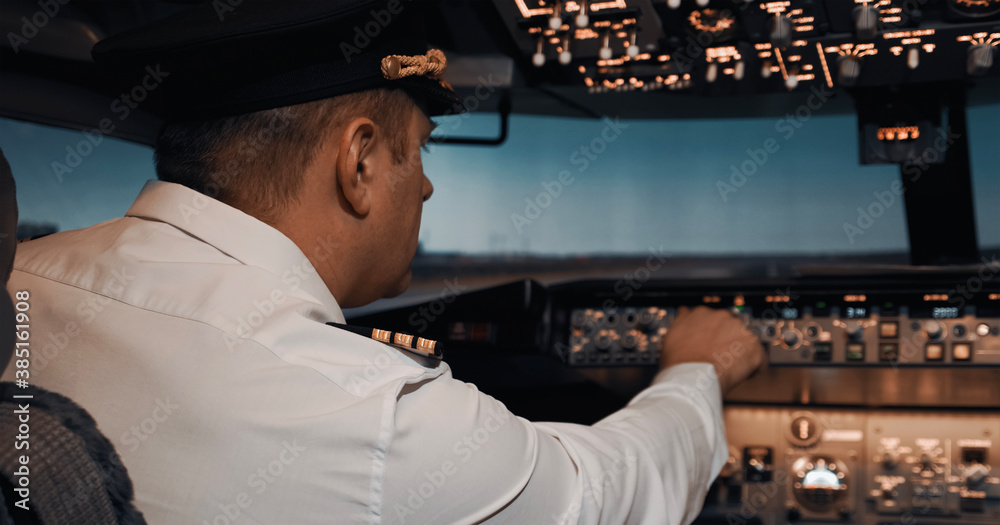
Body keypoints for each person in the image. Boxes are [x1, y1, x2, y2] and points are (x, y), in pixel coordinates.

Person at [2, 1, 764, 523]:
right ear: (360, 162)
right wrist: (697, 369)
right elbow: (608, 498)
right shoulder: (373, 412)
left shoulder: (20, 283)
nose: (427, 183)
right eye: (419, 149)